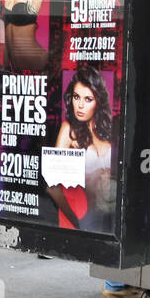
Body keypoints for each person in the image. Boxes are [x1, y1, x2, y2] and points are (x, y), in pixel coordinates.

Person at [46, 64, 114, 232]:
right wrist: (75, 221)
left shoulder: (109, 131)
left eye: (88, 99)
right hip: (81, 214)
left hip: (108, 214)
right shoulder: (68, 130)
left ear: (98, 101)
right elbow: (52, 186)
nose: (80, 105)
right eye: (76, 97)